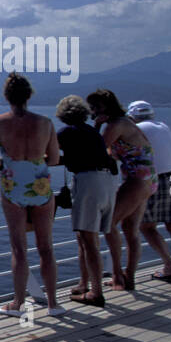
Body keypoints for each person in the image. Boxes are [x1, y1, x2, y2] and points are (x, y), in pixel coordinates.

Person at [0, 72, 61, 316]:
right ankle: (53, 304)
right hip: (40, 184)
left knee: (19, 248)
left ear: (6, 96)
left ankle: (18, 304)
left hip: (13, 186)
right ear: (29, 96)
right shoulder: (45, 123)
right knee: (46, 248)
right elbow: (56, 158)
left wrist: (9, 159)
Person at [86, 89, 154, 291]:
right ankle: (129, 277)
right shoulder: (126, 122)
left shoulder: (115, 125)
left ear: (108, 106)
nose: (95, 110)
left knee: (108, 223)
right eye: (93, 107)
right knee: (130, 229)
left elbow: (97, 151)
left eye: (98, 107)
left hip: (137, 179)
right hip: (147, 178)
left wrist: (96, 126)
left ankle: (117, 275)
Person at [55, 95, 117, 308]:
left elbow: (51, 155)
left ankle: (96, 293)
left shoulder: (66, 133)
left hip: (88, 183)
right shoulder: (92, 132)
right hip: (106, 182)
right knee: (84, 237)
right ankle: (85, 283)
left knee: (89, 241)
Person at [128, 100, 171, 284]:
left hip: (159, 177)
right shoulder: (163, 126)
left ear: (132, 116)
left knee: (147, 226)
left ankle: (169, 267)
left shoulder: (137, 129)